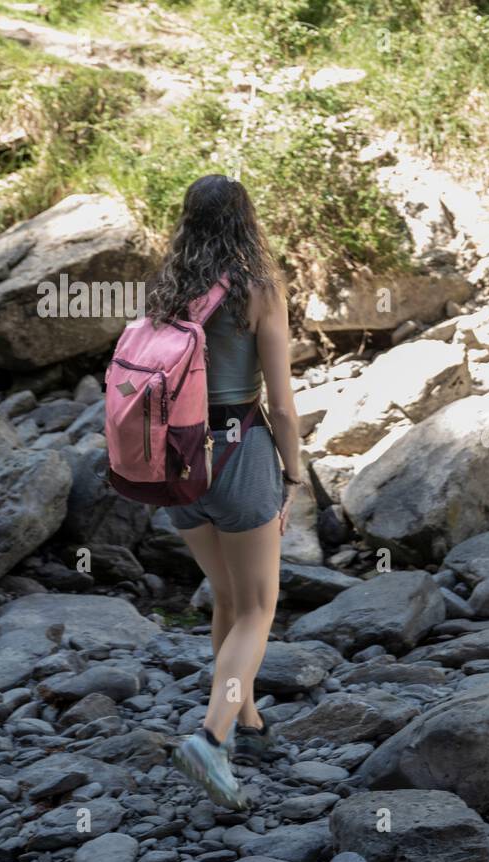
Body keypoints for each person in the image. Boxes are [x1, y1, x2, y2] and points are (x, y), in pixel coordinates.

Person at [147, 174, 305, 809]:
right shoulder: (259, 289)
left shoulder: (164, 288)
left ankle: (247, 721)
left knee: (227, 598)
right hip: (238, 454)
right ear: (247, 219)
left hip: (172, 464)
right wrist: (292, 473)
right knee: (259, 609)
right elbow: (284, 403)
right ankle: (211, 740)